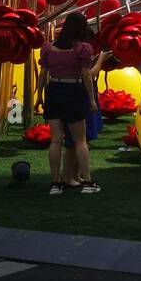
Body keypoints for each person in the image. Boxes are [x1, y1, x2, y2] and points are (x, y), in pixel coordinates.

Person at [35, 12, 100, 195]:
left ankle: (56, 183)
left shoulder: (48, 47)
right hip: (74, 92)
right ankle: (87, 182)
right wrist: (92, 100)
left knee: (55, 140)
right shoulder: (83, 48)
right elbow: (86, 75)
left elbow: (43, 73)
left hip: (54, 90)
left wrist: (39, 96)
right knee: (80, 140)